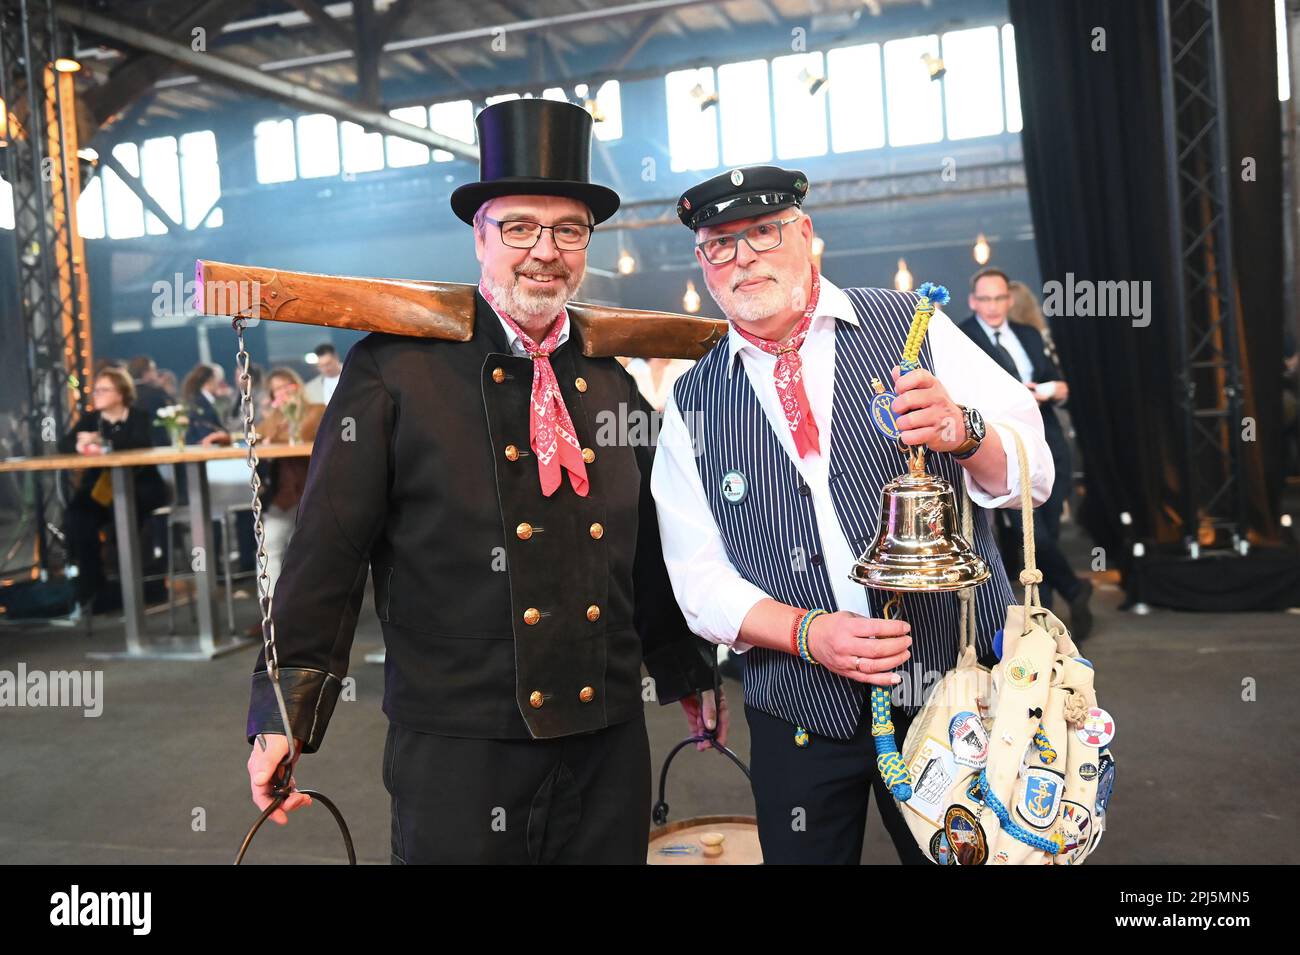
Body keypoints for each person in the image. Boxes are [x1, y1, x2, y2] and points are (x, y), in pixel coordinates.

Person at [244, 98, 719, 865]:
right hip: (459, 750)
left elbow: (646, 546)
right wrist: (284, 710)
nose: (545, 251)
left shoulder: (608, 379)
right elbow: (328, 547)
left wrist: (682, 666)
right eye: (520, 227)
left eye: (569, 230)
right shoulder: (394, 369)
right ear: (480, 235)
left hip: (606, 744)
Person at [651, 165, 1055, 865]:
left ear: (805, 236)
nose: (744, 256)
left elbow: (1034, 470)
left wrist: (965, 430)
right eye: (721, 243)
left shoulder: (911, 324)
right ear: (703, 263)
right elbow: (697, 579)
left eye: (764, 232)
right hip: (799, 712)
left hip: (956, 687)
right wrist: (809, 633)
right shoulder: (690, 400)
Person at [958, 268, 1092, 639]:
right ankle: (1074, 589)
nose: (992, 306)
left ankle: (1041, 624)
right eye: (984, 299)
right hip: (1003, 448)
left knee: (1044, 531)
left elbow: (1063, 386)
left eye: (999, 298)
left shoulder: (1029, 336)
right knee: (1029, 535)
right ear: (973, 301)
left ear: (1009, 299)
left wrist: (1047, 390)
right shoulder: (960, 338)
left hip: (1048, 441)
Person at [58, 366, 171, 611]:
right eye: (96, 390)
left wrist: (103, 442)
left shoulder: (138, 416)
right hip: (101, 489)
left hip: (139, 486)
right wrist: (79, 444)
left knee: (125, 517)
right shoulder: (90, 419)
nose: (97, 394)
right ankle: (93, 586)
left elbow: (143, 442)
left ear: (120, 393)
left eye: (104, 389)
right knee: (76, 517)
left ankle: (136, 588)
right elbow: (63, 444)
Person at [254, 368, 324, 596]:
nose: (283, 392)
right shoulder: (272, 418)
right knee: (269, 546)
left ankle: (307, 608)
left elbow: (303, 436)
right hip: (282, 495)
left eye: (286, 386)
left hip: (314, 491)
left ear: (296, 385)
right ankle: (272, 609)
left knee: (308, 553)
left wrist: (275, 433)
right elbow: (256, 438)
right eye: (277, 390)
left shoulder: (316, 410)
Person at [179, 362, 233, 446]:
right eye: (217, 380)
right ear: (209, 381)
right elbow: (205, 434)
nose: (218, 384)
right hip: (200, 450)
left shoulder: (200, 401)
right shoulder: (200, 404)